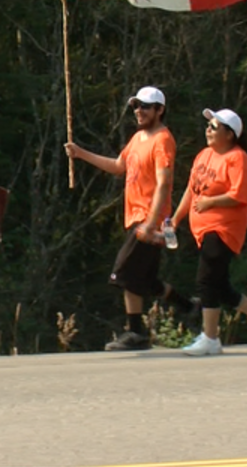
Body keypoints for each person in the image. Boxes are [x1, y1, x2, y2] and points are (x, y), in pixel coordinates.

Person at [65, 86, 197, 351]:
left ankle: (135, 333)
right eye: (136, 106)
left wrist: (150, 223)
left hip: (150, 219)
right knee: (144, 280)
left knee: (124, 272)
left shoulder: (162, 139)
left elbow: (163, 183)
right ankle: (189, 306)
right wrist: (81, 153)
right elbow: (118, 166)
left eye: (145, 106)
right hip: (137, 217)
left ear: (160, 110)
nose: (139, 111)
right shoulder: (138, 138)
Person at [171, 108, 247, 356]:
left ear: (230, 134)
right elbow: (192, 191)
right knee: (220, 287)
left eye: (214, 126)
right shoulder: (203, 156)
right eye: (208, 125)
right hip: (202, 230)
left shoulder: (237, 158)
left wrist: (211, 202)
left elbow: (239, 194)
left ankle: (210, 338)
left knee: (205, 280)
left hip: (223, 229)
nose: (208, 130)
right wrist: (176, 219)